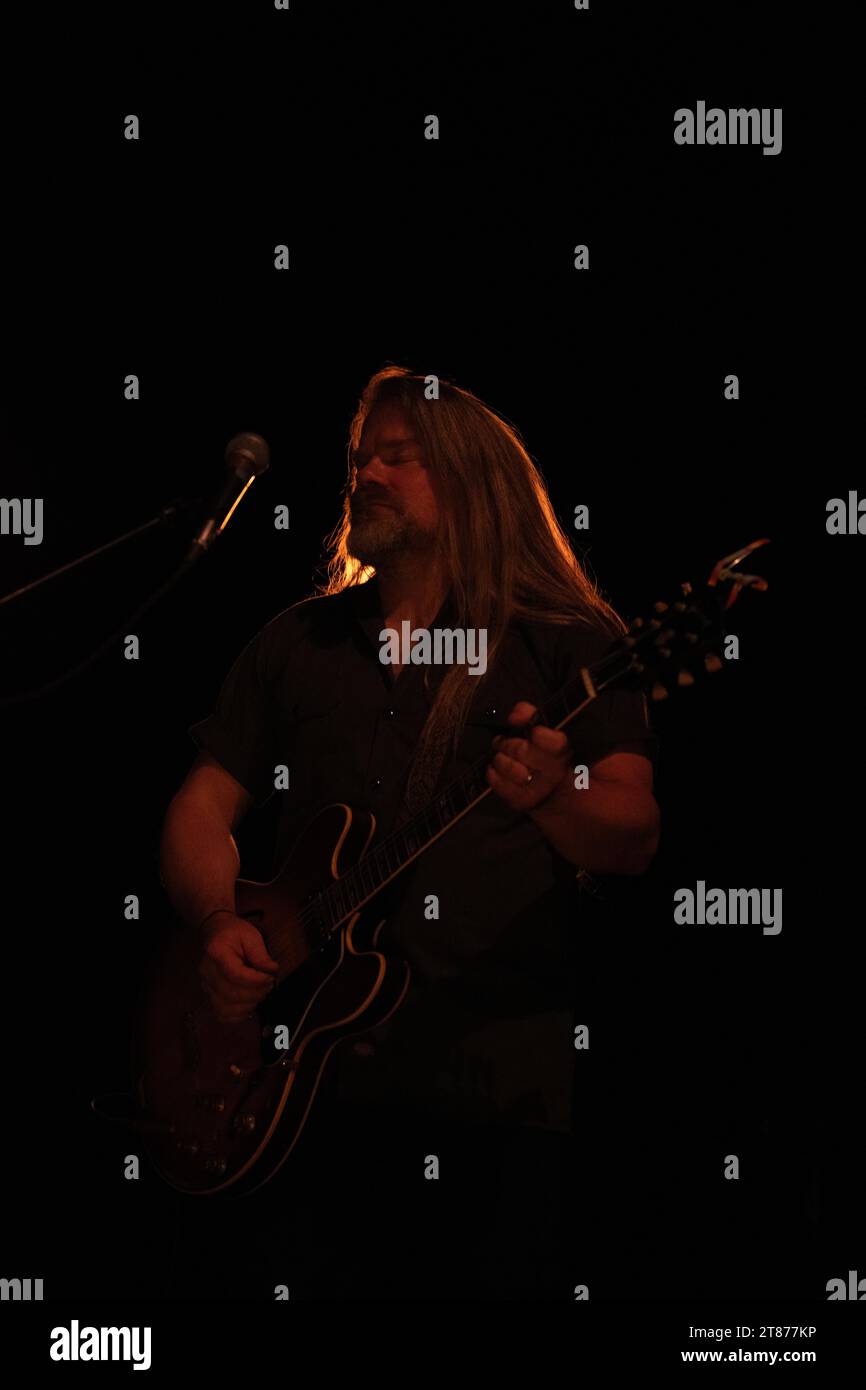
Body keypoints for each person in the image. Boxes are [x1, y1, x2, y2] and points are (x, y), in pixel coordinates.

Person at [157, 366, 660, 1300]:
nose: (366, 476)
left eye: (400, 458)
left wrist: (553, 796)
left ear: (474, 480)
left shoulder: (564, 641)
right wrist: (218, 917)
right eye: (359, 460)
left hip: (490, 1100)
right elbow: (200, 806)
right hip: (297, 1099)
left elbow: (630, 832)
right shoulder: (297, 643)